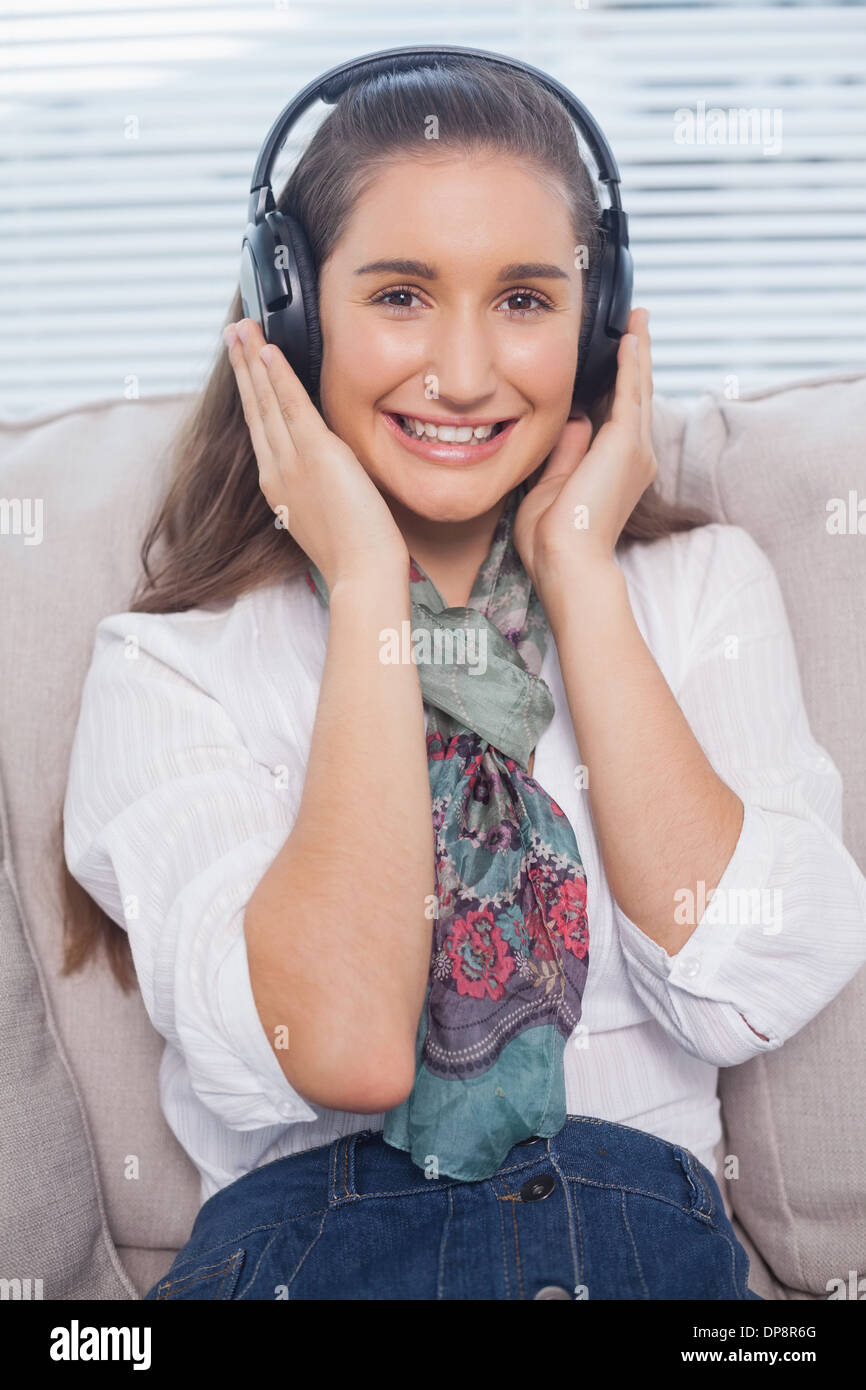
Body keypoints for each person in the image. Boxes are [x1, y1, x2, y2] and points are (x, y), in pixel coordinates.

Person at [60, 53, 866, 1301]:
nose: (465, 370)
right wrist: (372, 592)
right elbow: (340, 1048)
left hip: (638, 1257)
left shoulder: (698, 586)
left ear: (598, 324)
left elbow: (745, 982)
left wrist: (582, 574)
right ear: (290, 316)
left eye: (526, 300)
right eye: (399, 294)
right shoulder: (172, 666)